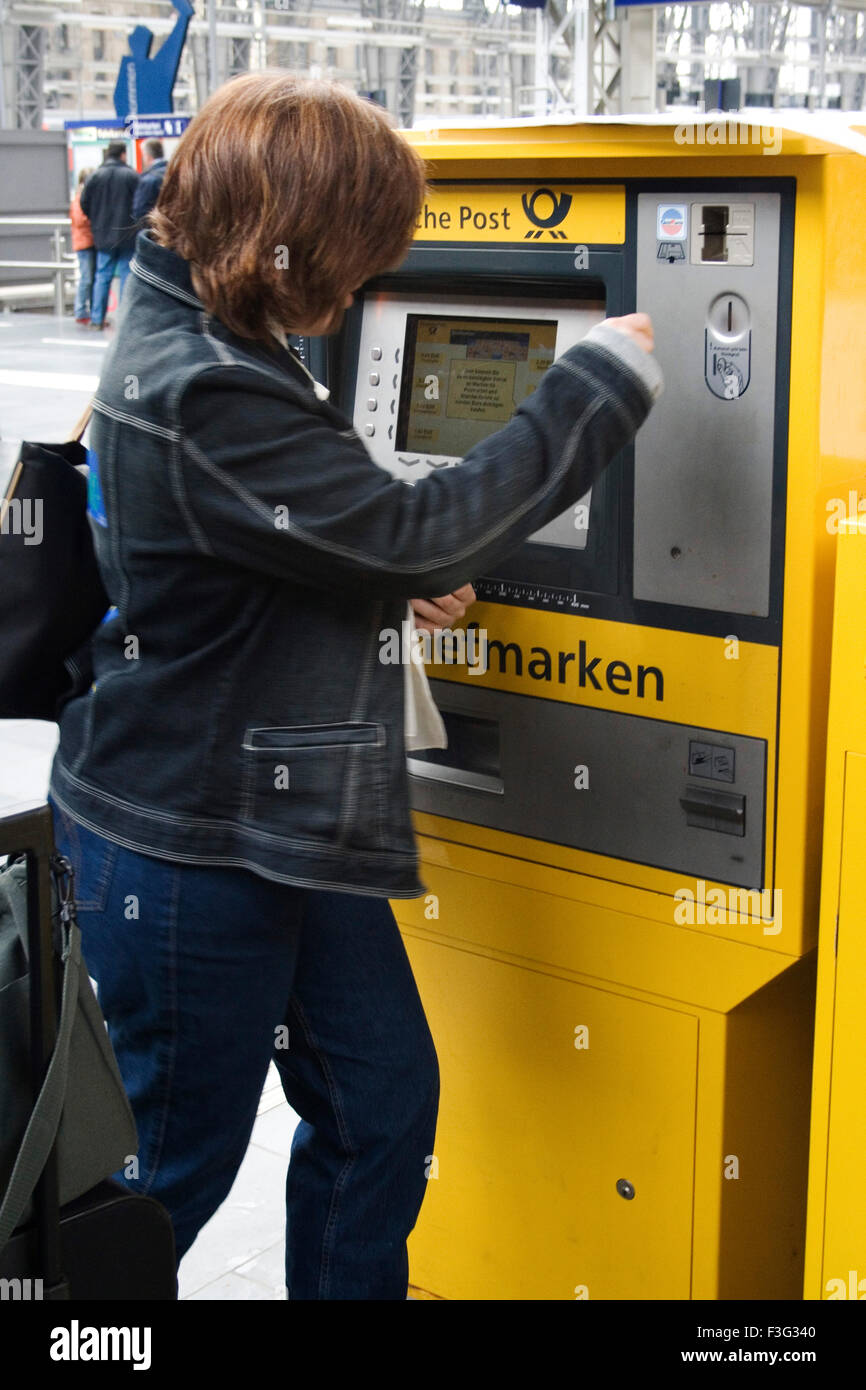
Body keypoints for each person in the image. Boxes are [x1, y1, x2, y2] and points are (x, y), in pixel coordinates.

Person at [48, 72, 662, 1300]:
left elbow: (307, 534)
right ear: (294, 237)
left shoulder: (208, 328)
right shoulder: (206, 379)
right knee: (165, 1172)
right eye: (359, 251)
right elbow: (417, 531)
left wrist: (371, 568)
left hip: (278, 820)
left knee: (382, 1103)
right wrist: (591, 384)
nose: (363, 282)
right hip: (195, 846)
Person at [79, 141, 138, 330]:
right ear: (122, 154)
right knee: (126, 274)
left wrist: (96, 220)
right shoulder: (130, 175)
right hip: (127, 234)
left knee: (102, 275)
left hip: (102, 235)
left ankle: (97, 319)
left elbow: (84, 203)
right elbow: (139, 203)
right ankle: (124, 320)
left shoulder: (95, 176)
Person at [69, 168, 95, 325]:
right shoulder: (80, 199)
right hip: (84, 242)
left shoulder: (82, 197)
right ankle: (80, 310)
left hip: (88, 241)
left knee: (89, 278)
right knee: (86, 278)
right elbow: (80, 220)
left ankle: (87, 311)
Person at [132, 139, 168, 224]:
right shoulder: (176, 173)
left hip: (155, 230)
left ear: (147, 156)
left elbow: (140, 212)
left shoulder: (148, 179)